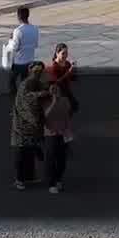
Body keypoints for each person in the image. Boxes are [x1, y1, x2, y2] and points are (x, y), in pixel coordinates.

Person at [41, 58, 75, 193]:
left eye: (56, 89)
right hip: (50, 134)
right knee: (50, 160)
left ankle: (59, 179)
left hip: (62, 134)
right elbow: (44, 118)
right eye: (52, 89)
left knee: (62, 160)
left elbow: (67, 118)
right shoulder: (45, 102)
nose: (54, 91)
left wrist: (68, 134)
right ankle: (52, 183)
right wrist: (54, 103)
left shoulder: (65, 101)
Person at [11, 66, 46, 190]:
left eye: (40, 71)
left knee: (30, 152)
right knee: (21, 152)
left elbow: (45, 91)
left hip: (32, 125)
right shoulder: (25, 84)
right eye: (36, 71)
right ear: (31, 72)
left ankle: (30, 177)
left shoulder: (38, 83)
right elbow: (25, 101)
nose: (38, 74)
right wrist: (38, 94)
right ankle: (19, 179)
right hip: (21, 125)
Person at [5, 6, 39, 96]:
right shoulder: (35, 29)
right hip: (30, 60)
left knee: (11, 81)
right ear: (28, 15)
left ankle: (15, 99)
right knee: (24, 82)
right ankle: (24, 97)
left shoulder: (18, 31)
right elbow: (36, 45)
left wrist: (10, 40)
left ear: (18, 17)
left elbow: (14, 47)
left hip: (19, 61)